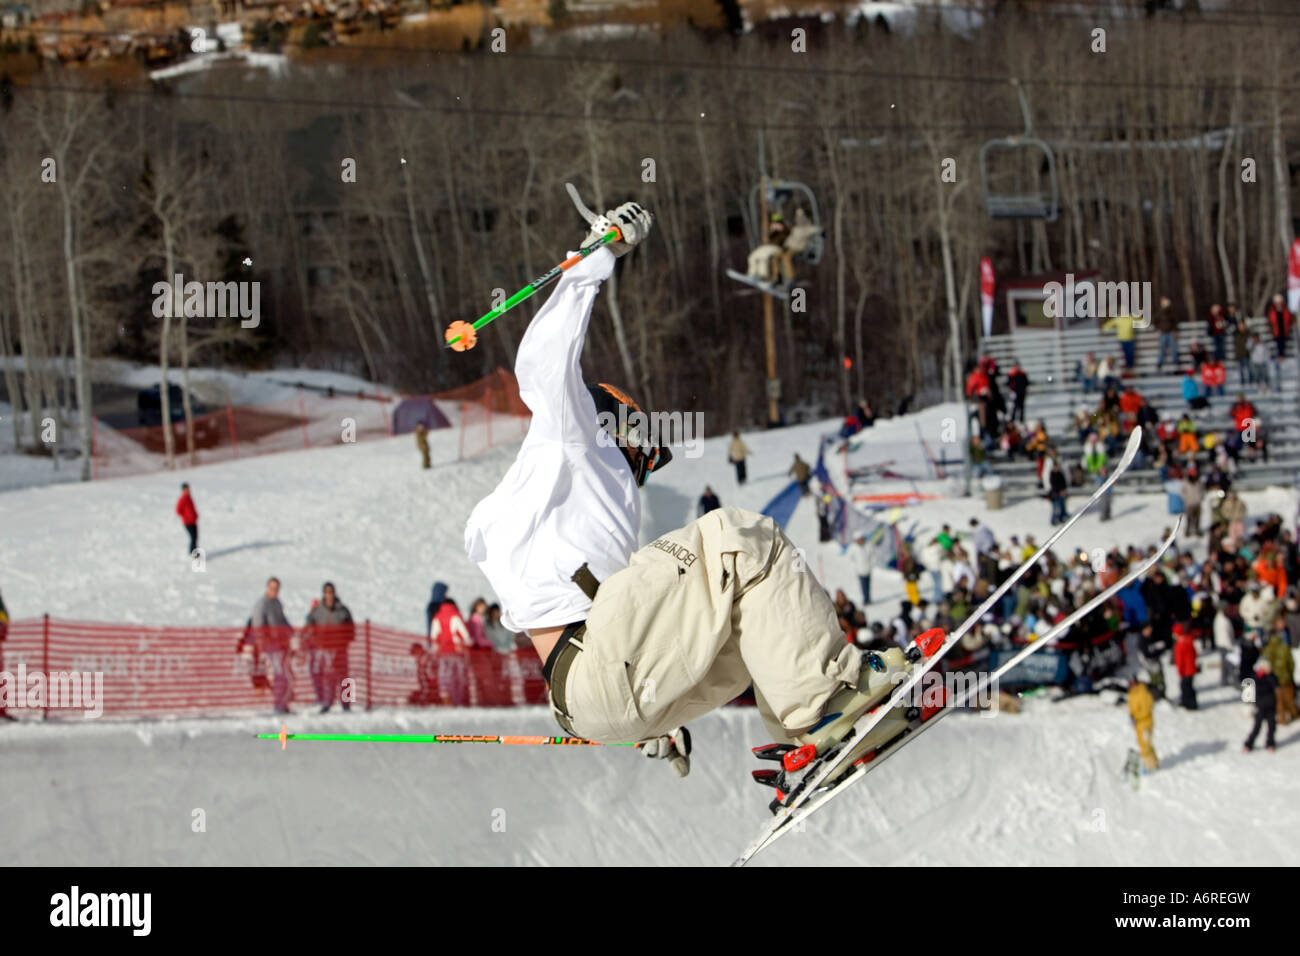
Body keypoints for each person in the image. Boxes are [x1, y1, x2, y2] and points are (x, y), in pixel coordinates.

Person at [303, 582, 355, 713]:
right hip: (325, 648)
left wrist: (345, 640)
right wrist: (316, 640)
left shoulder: (343, 610)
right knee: (328, 676)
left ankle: (346, 704)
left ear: (334, 593)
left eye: (331, 592)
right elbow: (309, 627)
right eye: (327, 592)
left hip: (340, 648)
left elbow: (351, 629)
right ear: (324, 594)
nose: (329, 595)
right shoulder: (317, 611)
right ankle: (327, 702)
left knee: (344, 676)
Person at [250, 577, 293, 714]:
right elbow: (257, 626)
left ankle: (283, 703)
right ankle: (278, 705)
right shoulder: (261, 604)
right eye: (272, 587)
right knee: (277, 675)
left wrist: (291, 632)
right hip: (269, 647)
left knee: (284, 675)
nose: (274, 590)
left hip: (280, 645)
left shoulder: (277, 603)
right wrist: (262, 645)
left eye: (277, 588)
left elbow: (282, 620)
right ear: (267, 587)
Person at [427, 582, 474, 706]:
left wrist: (435, 649)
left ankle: (446, 700)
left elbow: (433, 636)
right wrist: (469, 642)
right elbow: (465, 634)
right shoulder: (456, 616)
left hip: (442, 653)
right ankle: (457, 700)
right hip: (457, 652)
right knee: (458, 677)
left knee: (444, 677)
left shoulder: (437, 616)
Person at [1262, 627, 1297, 725]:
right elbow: (1291, 663)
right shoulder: (1285, 647)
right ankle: (1294, 714)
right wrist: (1290, 674)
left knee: (1279, 702)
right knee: (1290, 698)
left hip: (1274, 680)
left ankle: (1283, 720)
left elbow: (1264, 666)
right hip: (1286, 677)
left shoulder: (1267, 649)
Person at [1243, 658, 1278, 753]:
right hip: (1260, 707)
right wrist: (1249, 707)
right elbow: (1248, 692)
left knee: (1272, 727)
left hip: (1271, 706)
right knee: (1256, 727)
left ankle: (1270, 743)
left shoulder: (1271, 677)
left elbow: (1276, 684)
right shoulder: (1255, 677)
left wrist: (1268, 675)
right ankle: (1248, 744)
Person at [1127, 676, 1158, 771]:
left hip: (1145, 722)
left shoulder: (1142, 693)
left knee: (1145, 746)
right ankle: (1153, 763)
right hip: (1138, 724)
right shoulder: (1132, 693)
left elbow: (1146, 709)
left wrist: (1136, 717)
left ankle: (1150, 767)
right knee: (1142, 744)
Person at [1173, 622, 1198, 709]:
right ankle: (1192, 702)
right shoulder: (1189, 640)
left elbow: (1179, 661)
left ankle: (1189, 704)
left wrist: (1180, 672)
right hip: (1192, 668)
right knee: (1190, 687)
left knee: (1185, 688)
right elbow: (1195, 654)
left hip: (1185, 671)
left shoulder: (1179, 645)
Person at [849, 532, 877, 606]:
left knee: (868, 585)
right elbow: (851, 559)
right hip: (860, 570)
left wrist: (871, 566)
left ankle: (868, 598)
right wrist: (856, 568)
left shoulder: (868, 545)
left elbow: (873, 556)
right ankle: (865, 599)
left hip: (867, 569)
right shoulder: (853, 548)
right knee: (863, 585)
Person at [1155, 296, 1179, 371]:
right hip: (1162, 333)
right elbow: (1155, 321)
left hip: (1170, 333)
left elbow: (1175, 321)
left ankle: (1176, 363)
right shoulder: (1159, 312)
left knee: (1173, 349)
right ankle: (1160, 363)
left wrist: (1174, 330)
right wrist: (1157, 329)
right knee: (1162, 349)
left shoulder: (1171, 311)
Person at [175, 482, 199, 557]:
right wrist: (186, 516)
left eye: (189, 488)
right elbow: (178, 510)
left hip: (193, 521)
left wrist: (195, 515)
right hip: (188, 522)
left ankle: (194, 552)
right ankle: (192, 553)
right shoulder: (183, 499)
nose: (188, 489)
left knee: (195, 537)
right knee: (193, 537)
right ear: (184, 489)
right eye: (187, 488)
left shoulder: (189, 497)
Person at [1267, 292, 1293, 359]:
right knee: (1279, 343)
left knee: (1283, 342)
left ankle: (1282, 355)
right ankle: (1280, 356)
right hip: (1277, 330)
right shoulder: (1272, 310)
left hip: (1284, 329)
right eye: (1277, 302)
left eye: (1279, 302)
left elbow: (1288, 318)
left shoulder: (1285, 309)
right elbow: (1271, 320)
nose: (1278, 304)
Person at [1180, 467, 1204, 538]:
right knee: (1189, 518)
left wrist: (1200, 497)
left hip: (1197, 503)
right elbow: (1182, 492)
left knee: (1198, 518)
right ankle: (1187, 531)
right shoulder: (1185, 482)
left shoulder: (1199, 482)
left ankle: (1197, 530)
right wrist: (1186, 498)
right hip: (1189, 504)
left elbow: (1202, 490)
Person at [1232, 313, 1252, 385]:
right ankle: (1243, 382)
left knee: (1249, 369)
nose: (1241, 327)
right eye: (1239, 325)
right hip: (1239, 355)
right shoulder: (1236, 334)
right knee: (1241, 370)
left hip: (1247, 354)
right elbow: (1236, 345)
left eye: (1242, 325)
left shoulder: (1248, 333)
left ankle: (1250, 381)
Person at [1047, 457, 1068, 526]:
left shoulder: (1060, 474)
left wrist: (1063, 490)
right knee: (1055, 508)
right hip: (1055, 494)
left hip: (1061, 493)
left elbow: (1063, 482)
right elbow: (1053, 485)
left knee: (1062, 506)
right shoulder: (1052, 475)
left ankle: (1062, 518)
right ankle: (1053, 520)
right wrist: (1059, 491)